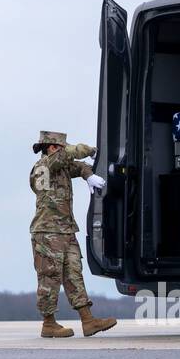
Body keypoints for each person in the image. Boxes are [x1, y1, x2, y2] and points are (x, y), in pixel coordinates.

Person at [29, 131, 117, 338]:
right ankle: (48, 324)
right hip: (48, 231)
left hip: (66, 230)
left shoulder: (60, 166)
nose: (63, 149)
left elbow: (79, 166)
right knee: (49, 277)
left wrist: (88, 175)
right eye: (60, 146)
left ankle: (88, 321)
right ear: (52, 148)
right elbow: (72, 153)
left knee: (74, 274)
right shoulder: (45, 165)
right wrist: (94, 151)